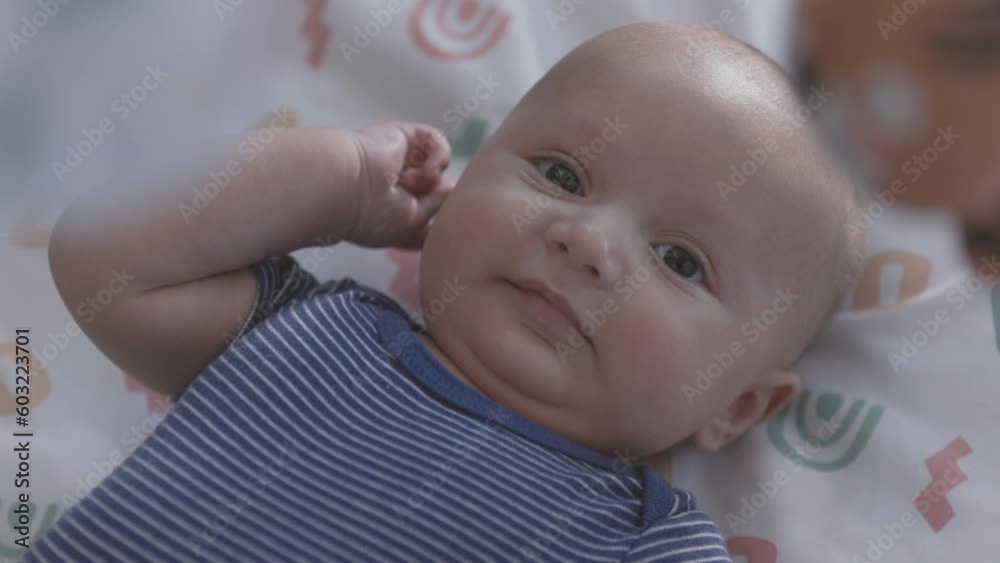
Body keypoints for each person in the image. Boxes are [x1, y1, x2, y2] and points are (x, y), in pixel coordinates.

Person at [32, 23, 859, 562]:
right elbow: (104, 257)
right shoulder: (310, 331)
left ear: (739, 408)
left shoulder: (643, 543)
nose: (591, 243)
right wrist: (346, 183)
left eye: (681, 260)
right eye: (563, 174)